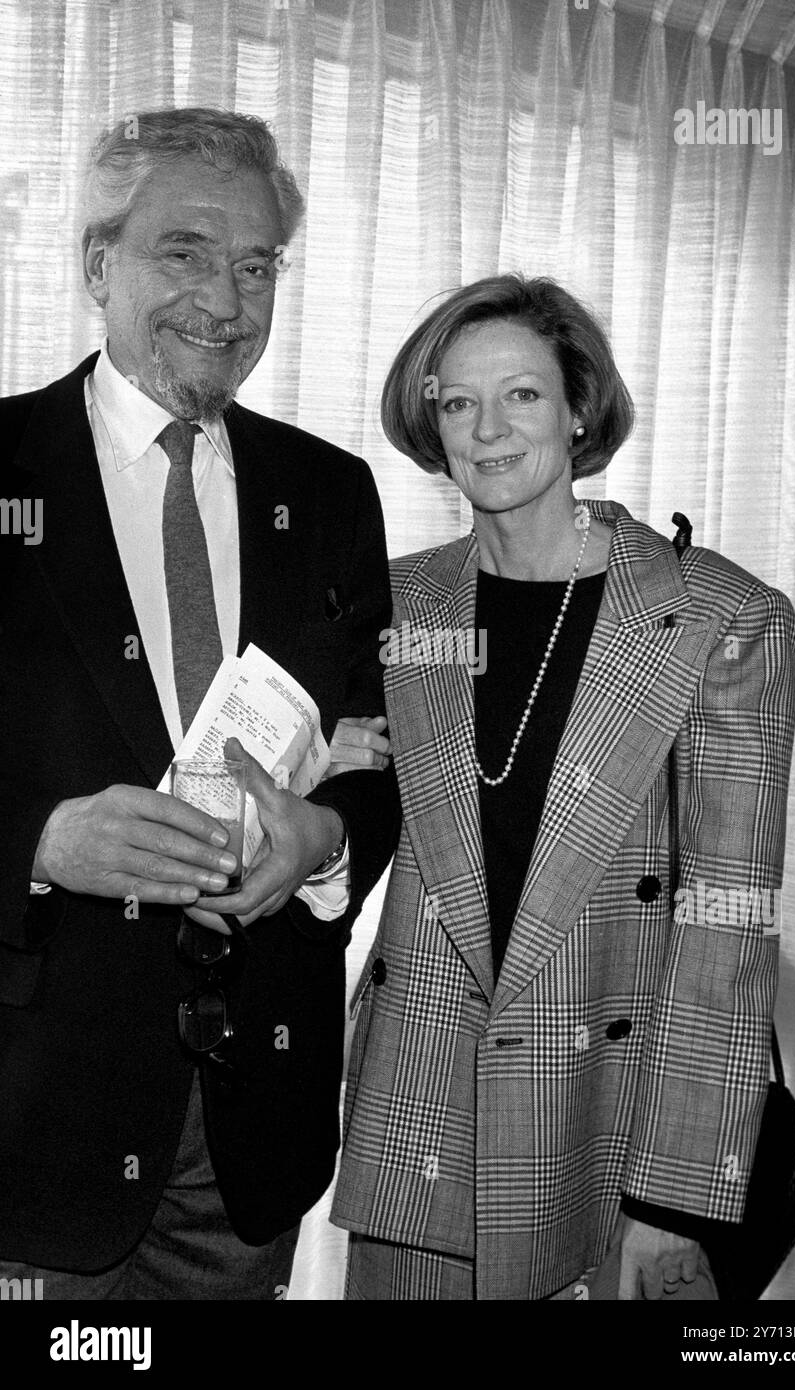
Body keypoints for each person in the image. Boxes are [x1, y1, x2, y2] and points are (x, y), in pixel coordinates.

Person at [329, 273, 795, 1300]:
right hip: (421, 1127)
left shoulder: (717, 617)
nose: (485, 429)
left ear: (579, 407)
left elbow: (726, 930)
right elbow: (350, 825)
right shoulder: (394, 603)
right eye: (456, 401)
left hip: (606, 1139)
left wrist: (672, 1205)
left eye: (521, 395)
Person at [0, 107, 399, 1299]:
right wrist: (40, 842)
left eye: (256, 264)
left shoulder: (331, 492)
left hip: (246, 1132)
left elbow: (378, 754)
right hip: (29, 1127)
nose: (226, 302)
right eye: (184, 252)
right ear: (94, 265)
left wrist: (327, 844)